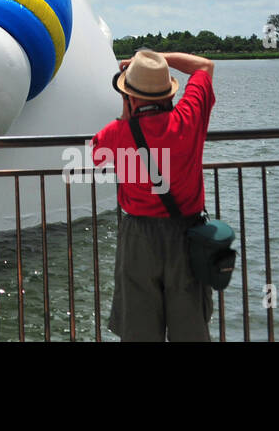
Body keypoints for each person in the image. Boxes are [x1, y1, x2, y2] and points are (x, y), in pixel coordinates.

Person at [93, 49, 216, 341]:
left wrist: (126, 114)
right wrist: (159, 58)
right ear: (169, 94)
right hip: (188, 233)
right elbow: (205, 66)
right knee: (191, 330)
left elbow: (97, 155)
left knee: (139, 330)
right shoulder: (188, 118)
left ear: (130, 97)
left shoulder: (117, 134)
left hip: (139, 237)